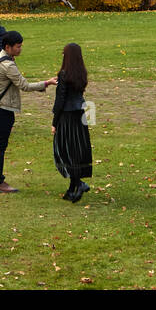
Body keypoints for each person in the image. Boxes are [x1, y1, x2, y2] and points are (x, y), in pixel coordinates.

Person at [0, 31, 56, 194]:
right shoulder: (8, 65)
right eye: (18, 46)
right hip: (3, 108)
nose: (20, 49)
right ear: (8, 47)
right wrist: (46, 83)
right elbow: (24, 85)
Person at [51, 43, 93, 202]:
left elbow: (60, 100)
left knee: (65, 150)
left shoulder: (64, 75)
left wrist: (54, 121)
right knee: (76, 150)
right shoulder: (81, 74)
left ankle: (78, 184)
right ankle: (73, 186)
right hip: (80, 115)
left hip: (67, 116)